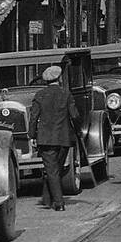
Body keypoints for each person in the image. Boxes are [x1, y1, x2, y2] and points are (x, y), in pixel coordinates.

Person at [28, 65, 79, 211]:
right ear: (60, 78)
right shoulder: (66, 94)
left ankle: (59, 203)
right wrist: (77, 131)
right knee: (56, 169)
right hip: (63, 139)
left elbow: (33, 118)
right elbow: (74, 115)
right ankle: (48, 199)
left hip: (45, 139)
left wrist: (32, 135)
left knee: (52, 171)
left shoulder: (39, 95)